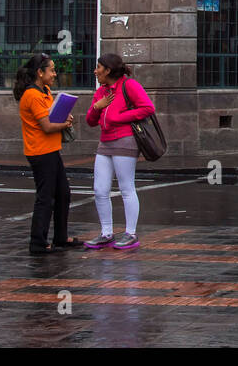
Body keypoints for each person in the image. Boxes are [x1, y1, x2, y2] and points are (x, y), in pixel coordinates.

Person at [83, 53, 153, 250]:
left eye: (98, 68)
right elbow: (90, 121)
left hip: (125, 141)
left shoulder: (128, 85)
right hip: (105, 143)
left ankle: (130, 233)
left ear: (108, 70)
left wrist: (118, 116)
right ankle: (106, 233)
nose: (95, 71)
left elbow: (147, 108)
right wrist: (97, 107)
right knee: (99, 189)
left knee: (126, 187)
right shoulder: (101, 91)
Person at [15, 53, 80, 255]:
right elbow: (47, 126)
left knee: (63, 193)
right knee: (46, 197)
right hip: (40, 152)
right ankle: (38, 242)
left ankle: (60, 237)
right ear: (39, 72)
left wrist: (62, 117)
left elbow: (50, 118)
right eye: (51, 69)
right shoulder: (32, 95)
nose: (54, 73)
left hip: (51, 149)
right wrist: (65, 123)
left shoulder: (45, 91)